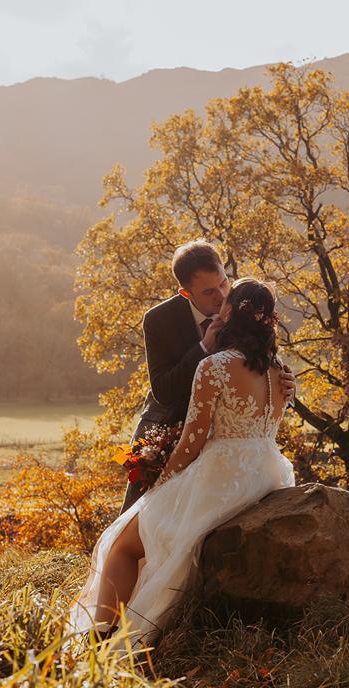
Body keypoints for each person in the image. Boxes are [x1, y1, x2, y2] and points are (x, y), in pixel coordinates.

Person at [68, 278, 295, 646]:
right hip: (266, 473)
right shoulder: (280, 370)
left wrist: (159, 485)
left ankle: (101, 637)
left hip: (221, 475)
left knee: (122, 544)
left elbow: (193, 442)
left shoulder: (215, 366)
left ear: (231, 313)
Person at [119, 240, 295, 513]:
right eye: (209, 291)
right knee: (137, 514)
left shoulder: (243, 304)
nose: (222, 295)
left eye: (224, 283)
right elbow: (163, 390)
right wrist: (203, 348)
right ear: (186, 293)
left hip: (224, 434)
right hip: (168, 423)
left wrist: (286, 383)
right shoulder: (158, 320)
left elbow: (263, 360)